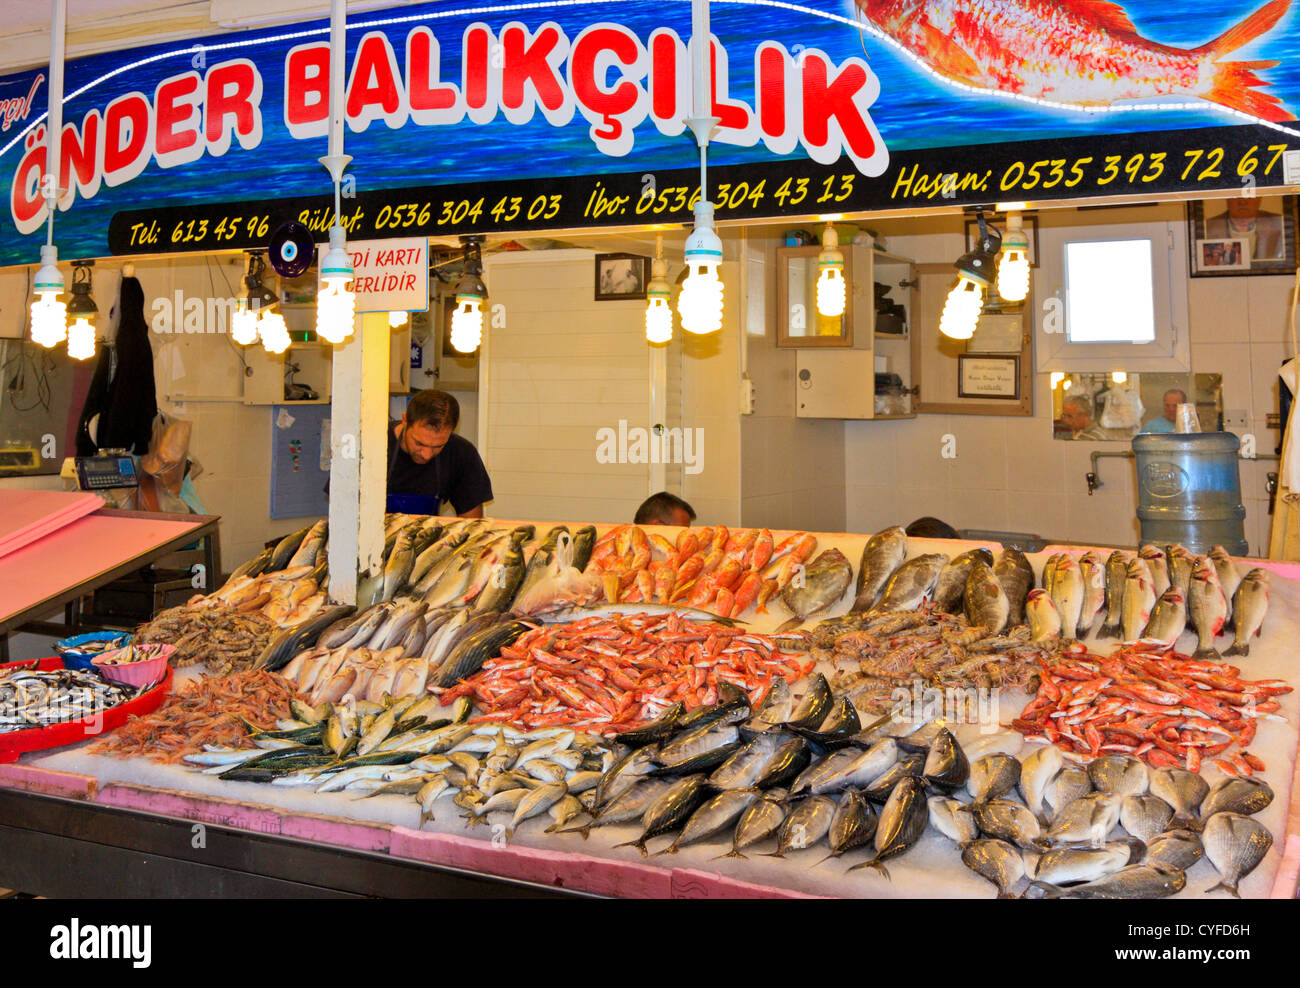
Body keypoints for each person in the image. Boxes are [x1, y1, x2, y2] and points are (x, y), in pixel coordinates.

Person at [387, 389, 493, 517]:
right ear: (405, 421)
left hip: (427, 536)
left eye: (438, 446)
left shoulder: (461, 454)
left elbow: (471, 525)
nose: (426, 455)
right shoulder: (373, 446)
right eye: (419, 443)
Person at [1204, 198, 1285, 260]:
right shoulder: (1206, 229)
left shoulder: (1281, 225)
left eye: (1249, 195)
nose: (1243, 201)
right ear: (1227, 197)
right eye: (1236, 195)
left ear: (1259, 198)